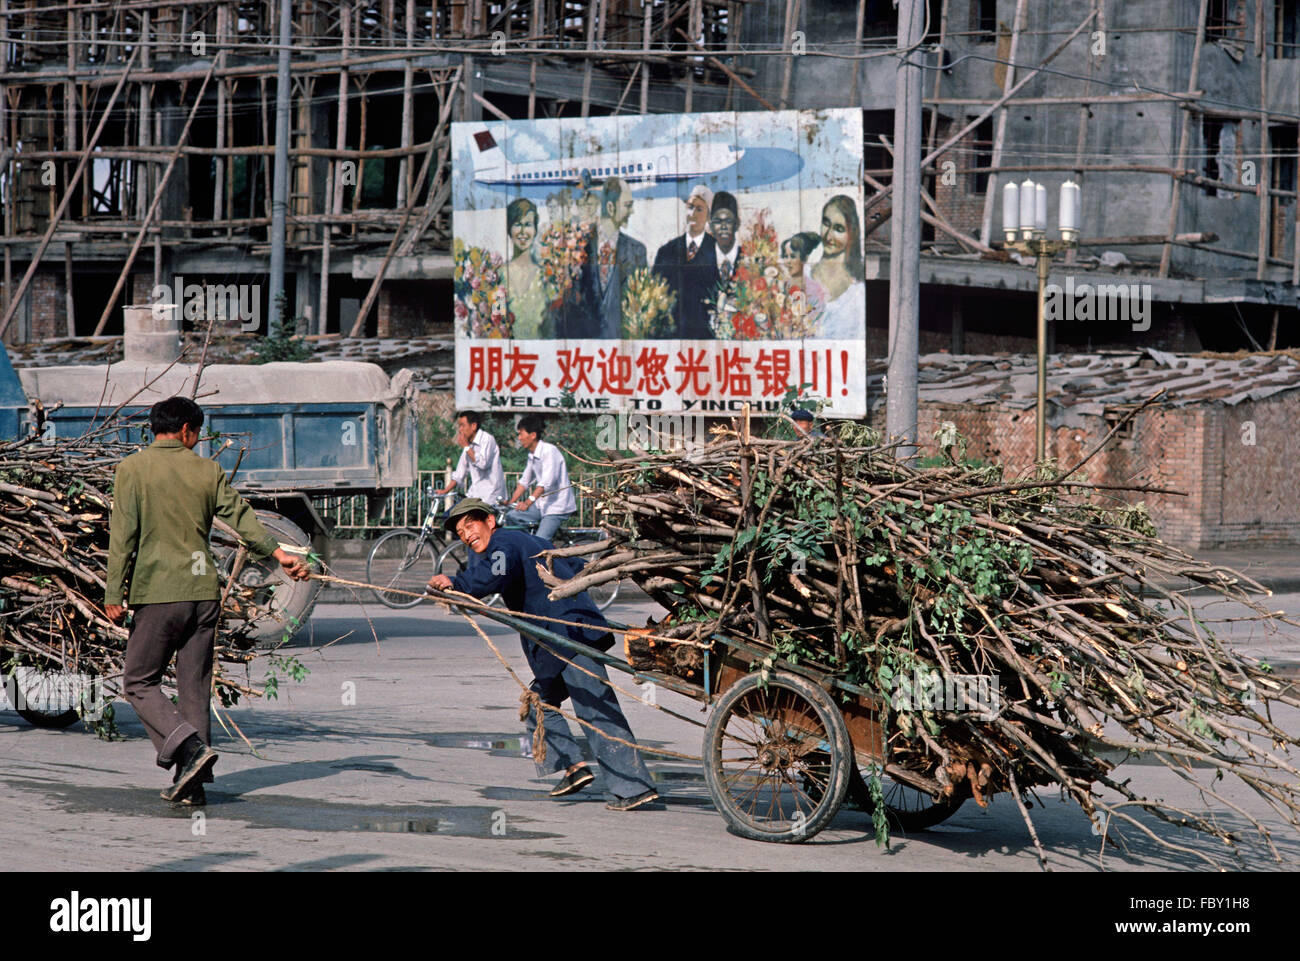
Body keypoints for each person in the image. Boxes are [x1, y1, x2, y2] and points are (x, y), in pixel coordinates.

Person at [105, 397, 310, 806]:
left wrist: (114, 592)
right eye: (196, 433)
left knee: (138, 681)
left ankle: (188, 749)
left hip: (160, 594)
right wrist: (280, 554)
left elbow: (123, 536)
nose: (196, 441)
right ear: (186, 430)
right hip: (203, 596)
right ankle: (192, 785)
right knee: (194, 688)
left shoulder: (133, 470)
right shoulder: (207, 471)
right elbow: (242, 518)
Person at [426, 498, 658, 811]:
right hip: (561, 637)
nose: (466, 535)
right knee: (539, 703)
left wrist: (457, 583)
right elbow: (573, 567)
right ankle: (573, 768)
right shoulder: (530, 540)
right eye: (460, 531)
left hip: (567, 637)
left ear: (490, 522)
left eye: (471, 525)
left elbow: (494, 574)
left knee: (595, 709)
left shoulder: (504, 543)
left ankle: (634, 788)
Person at [651, 184, 718, 339]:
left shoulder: (717, 252)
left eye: (699, 209)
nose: (693, 214)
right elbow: (654, 296)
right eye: (690, 207)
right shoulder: (666, 251)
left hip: (706, 339)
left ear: (709, 216)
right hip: (671, 338)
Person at [504, 414, 576, 542]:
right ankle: (524, 545)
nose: (519, 438)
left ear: (532, 435)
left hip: (557, 506)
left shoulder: (549, 451)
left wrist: (527, 502)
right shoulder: (532, 455)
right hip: (542, 504)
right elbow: (524, 482)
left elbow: (546, 483)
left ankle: (538, 552)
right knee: (512, 516)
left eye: (521, 434)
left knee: (539, 542)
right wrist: (510, 502)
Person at [811, 194, 866, 341]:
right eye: (826, 223)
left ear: (851, 234)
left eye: (839, 229)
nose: (828, 236)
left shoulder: (858, 290)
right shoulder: (803, 275)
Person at [433, 410, 507, 505]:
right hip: (475, 495)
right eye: (459, 426)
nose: (460, 430)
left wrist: (466, 447)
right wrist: (445, 491)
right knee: (450, 515)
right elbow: (460, 473)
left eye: (463, 425)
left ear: (473, 426)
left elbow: (483, 463)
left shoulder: (487, 439)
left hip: (490, 497)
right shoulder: (468, 446)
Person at [504, 198, 551, 339]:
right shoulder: (499, 275)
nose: (523, 231)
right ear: (509, 229)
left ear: (535, 229)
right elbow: (497, 318)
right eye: (518, 224)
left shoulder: (546, 275)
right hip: (511, 355)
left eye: (528, 225)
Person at [780, 231, 828, 327]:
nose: (788, 261)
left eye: (793, 256)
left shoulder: (815, 290)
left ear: (804, 259)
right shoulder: (782, 285)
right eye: (785, 256)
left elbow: (815, 324)